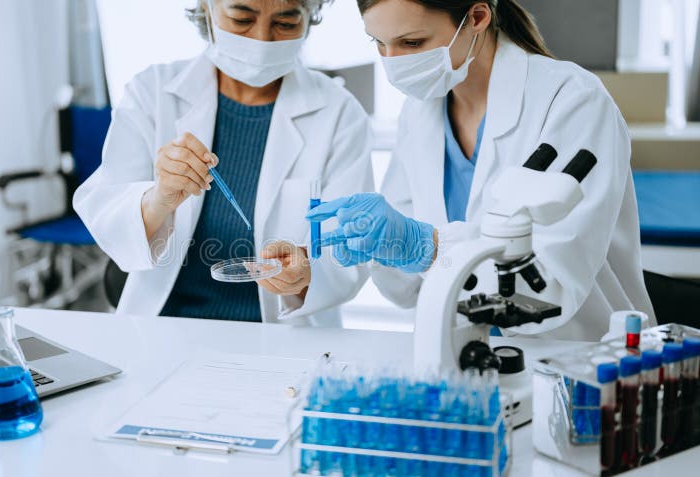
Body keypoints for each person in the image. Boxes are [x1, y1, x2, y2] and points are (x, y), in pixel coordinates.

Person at [307, 0, 654, 339]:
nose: (391, 63)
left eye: (412, 42)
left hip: (573, 359)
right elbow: (405, 290)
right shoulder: (419, 112)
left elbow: (548, 292)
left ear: (477, 16)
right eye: (379, 43)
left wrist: (427, 246)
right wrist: (382, 247)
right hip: (462, 357)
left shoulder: (572, 100)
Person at [75, 0, 373, 326]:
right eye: (242, 18)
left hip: (284, 337)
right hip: (165, 329)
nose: (261, 39)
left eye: (286, 23)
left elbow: (350, 250)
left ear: (311, 17)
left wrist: (307, 272)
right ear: (207, 7)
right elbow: (106, 214)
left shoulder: (339, 113)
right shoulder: (153, 93)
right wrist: (158, 199)